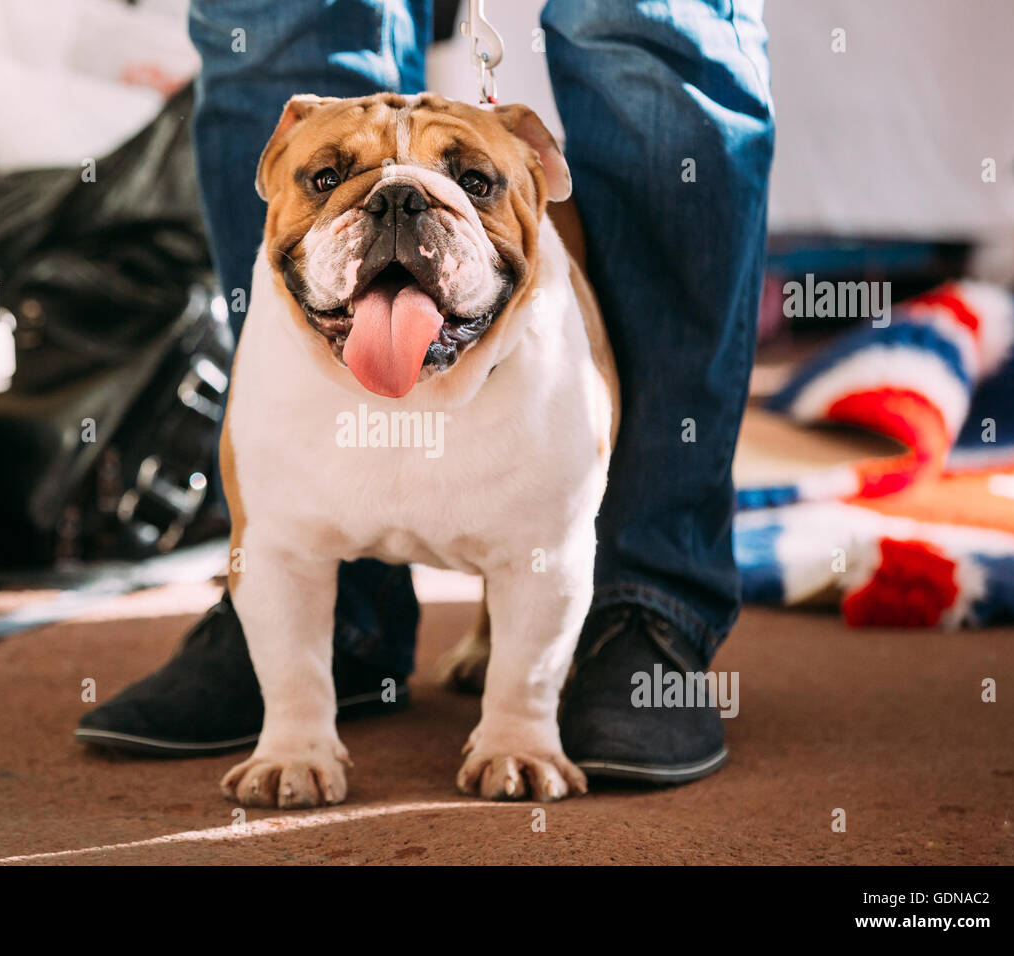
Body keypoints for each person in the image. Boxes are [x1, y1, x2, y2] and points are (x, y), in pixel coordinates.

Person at [78, 0, 774, 784]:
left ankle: (639, 610)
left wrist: (521, 729)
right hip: (298, 410)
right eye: (329, 177)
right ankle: (306, 691)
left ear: (537, 169)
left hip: (536, 412)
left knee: (643, 22)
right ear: (273, 165)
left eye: (473, 181)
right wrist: (293, 737)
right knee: (278, 15)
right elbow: (278, 548)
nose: (398, 209)